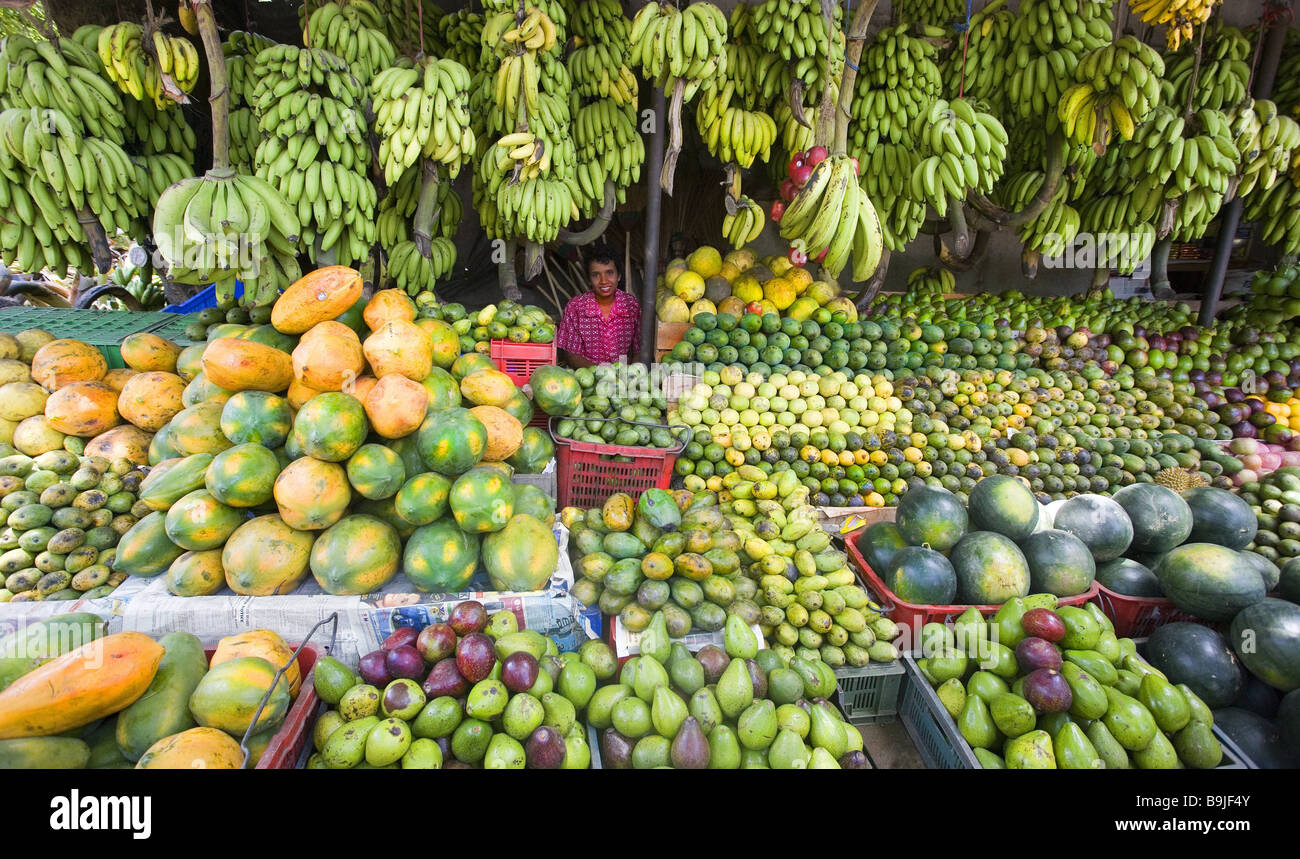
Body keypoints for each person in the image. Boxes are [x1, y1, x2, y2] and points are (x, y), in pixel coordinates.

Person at [555, 244, 641, 368]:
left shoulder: (631, 306)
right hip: (587, 377)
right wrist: (601, 374)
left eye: (609, 273)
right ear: (589, 279)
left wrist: (632, 375)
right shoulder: (575, 307)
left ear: (619, 276)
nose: (604, 281)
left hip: (623, 378)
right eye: (596, 275)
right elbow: (571, 354)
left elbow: (639, 350)